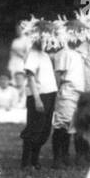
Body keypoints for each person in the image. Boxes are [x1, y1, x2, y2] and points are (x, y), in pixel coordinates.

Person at [19, 20, 58, 169]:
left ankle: (35, 160)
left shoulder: (44, 54)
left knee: (44, 130)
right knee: (34, 128)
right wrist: (37, 99)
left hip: (49, 94)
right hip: (39, 96)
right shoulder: (32, 54)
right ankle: (27, 161)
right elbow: (30, 77)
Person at [51, 21, 87, 167]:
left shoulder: (77, 53)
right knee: (62, 125)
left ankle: (69, 156)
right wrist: (58, 92)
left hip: (78, 92)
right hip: (67, 91)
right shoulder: (63, 53)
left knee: (75, 125)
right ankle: (58, 157)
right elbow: (58, 74)